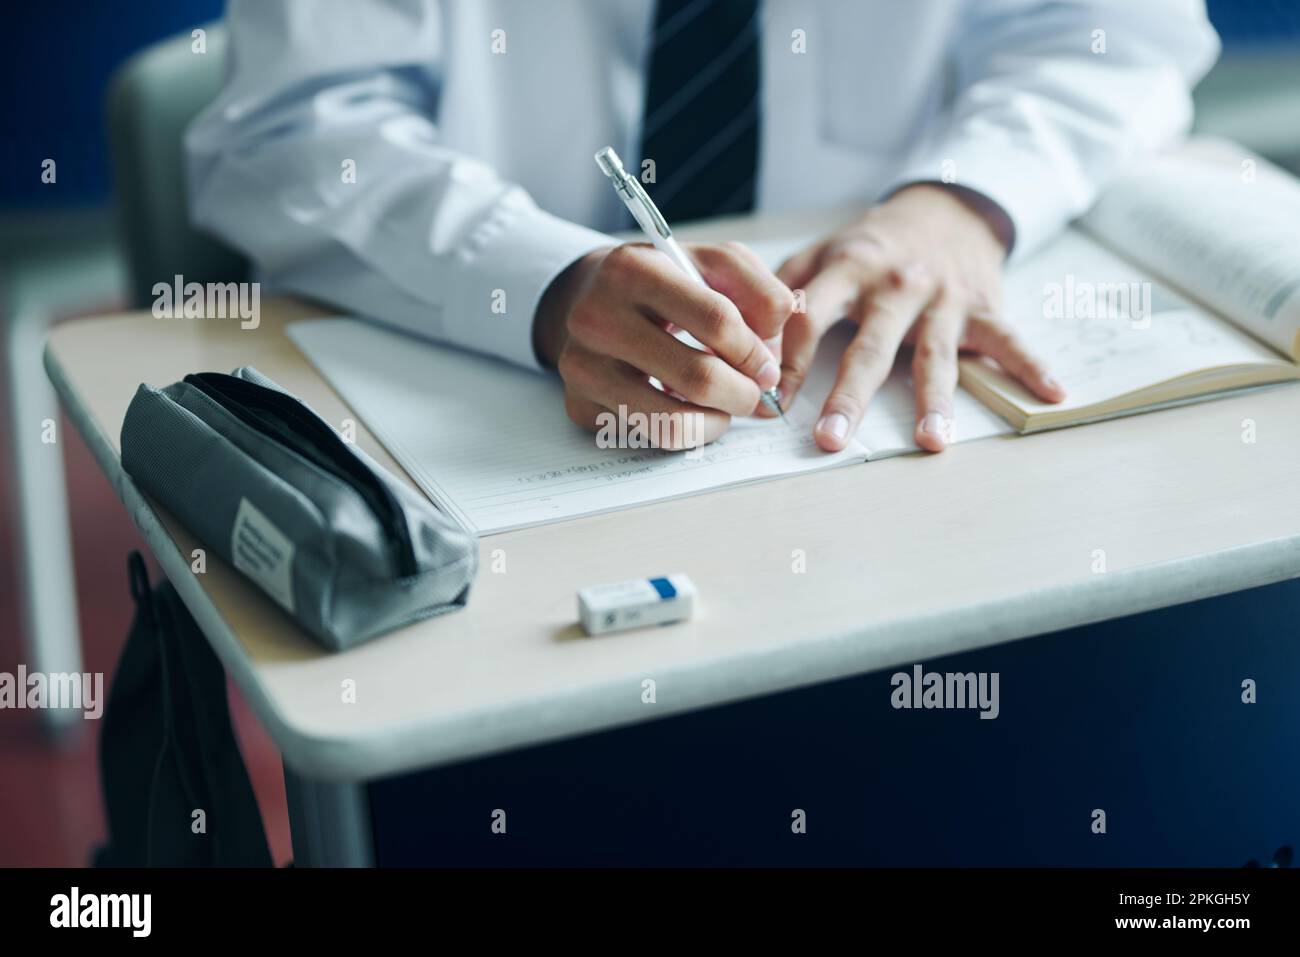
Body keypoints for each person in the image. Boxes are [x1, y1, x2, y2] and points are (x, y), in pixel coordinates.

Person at [186, 0, 1219, 452]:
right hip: (487, 412)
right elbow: (291, 129)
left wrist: (963, 201)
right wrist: (542, 284)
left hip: (868, 400)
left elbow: (1114, 35)